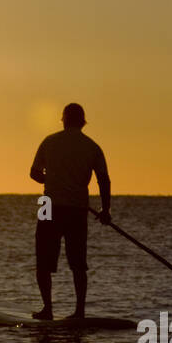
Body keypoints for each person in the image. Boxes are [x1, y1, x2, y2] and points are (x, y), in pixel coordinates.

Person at [29, 103, 111, 321]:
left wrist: (51, 179)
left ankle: (47, 309)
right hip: (77, 208)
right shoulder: (92, 146)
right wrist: (106, 209)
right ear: (82, 122)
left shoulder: (50, 142)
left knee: (44, 262)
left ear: (64, 120)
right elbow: (103, 179)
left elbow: (34, 173)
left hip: (49, 206)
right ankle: (80, 311)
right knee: (77, 263)